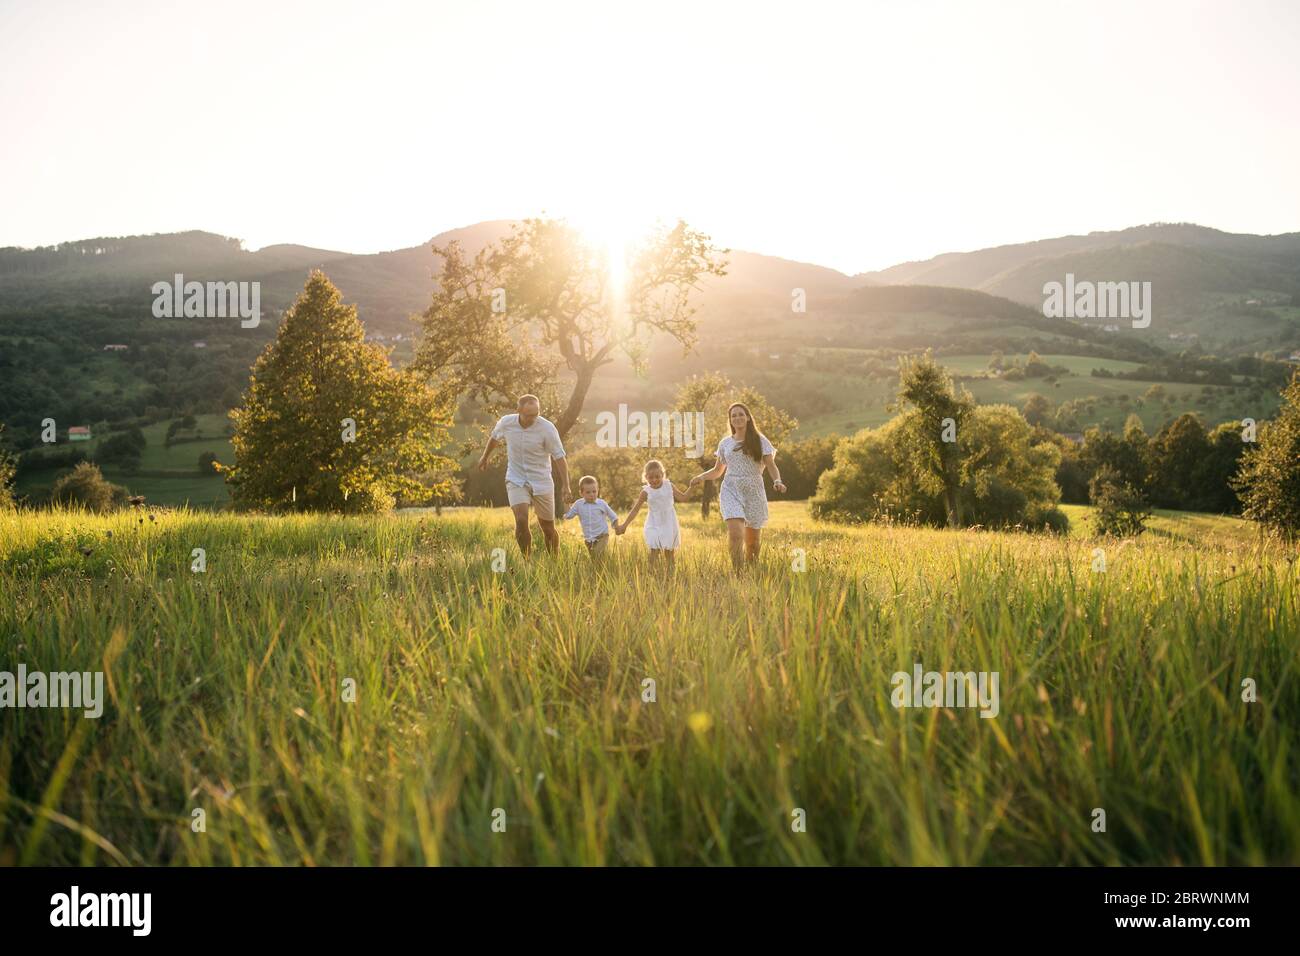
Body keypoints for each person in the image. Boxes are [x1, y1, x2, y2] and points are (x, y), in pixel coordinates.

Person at [689, 402, 785, 570]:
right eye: (734, 415)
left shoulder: (760, 441)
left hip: (754, 490)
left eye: (741, 414)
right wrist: (701, 477)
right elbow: (718, 471)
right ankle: (738, 575)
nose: (737, 417)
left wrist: (777, 481)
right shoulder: (725, 443)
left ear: (748, 417)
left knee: (753, 543)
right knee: (735, 534)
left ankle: (752, 572)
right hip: (731, 489)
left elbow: (771, 465)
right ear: (730, 421)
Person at [477, 394, 570, 555]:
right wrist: (485, 457)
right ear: (518, 410)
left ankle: (554, 561)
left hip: (542, 481)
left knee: (548, 528)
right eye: (529, 415)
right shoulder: (507, 423)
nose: (533, 418)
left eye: (536, 414)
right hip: (516, 478)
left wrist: (566, 486)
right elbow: (494, 438)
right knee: (521, 520)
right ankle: (527, 562)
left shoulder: (547, 428)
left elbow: (560, 458)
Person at [617, 459, 693, 570]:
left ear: (662, 475)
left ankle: (671, 575)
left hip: (669, 523)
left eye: (657, 476)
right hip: (654, 523)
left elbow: (683, 498)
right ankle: (651, 573)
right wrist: (624, 525)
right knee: (654, 550)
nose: (654, 480)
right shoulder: (645, 492)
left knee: (669, 552)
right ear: (646, 477)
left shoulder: (669, 486)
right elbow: (635, 510)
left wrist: (692, 486)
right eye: (650, 477)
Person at [564, 475, 620, 560]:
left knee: (598, 554)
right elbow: (568, 516)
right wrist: (566, 503)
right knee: (595, 560)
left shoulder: (602, 503)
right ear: (581, 493)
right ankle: (600, 571)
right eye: (588, 492)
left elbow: (613, 516)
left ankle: (605, 568)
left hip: (602, 536)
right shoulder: (578, 504)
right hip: (589, 540)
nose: (592, 495)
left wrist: (616, 527)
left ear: (597, 491)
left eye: (594, 491)